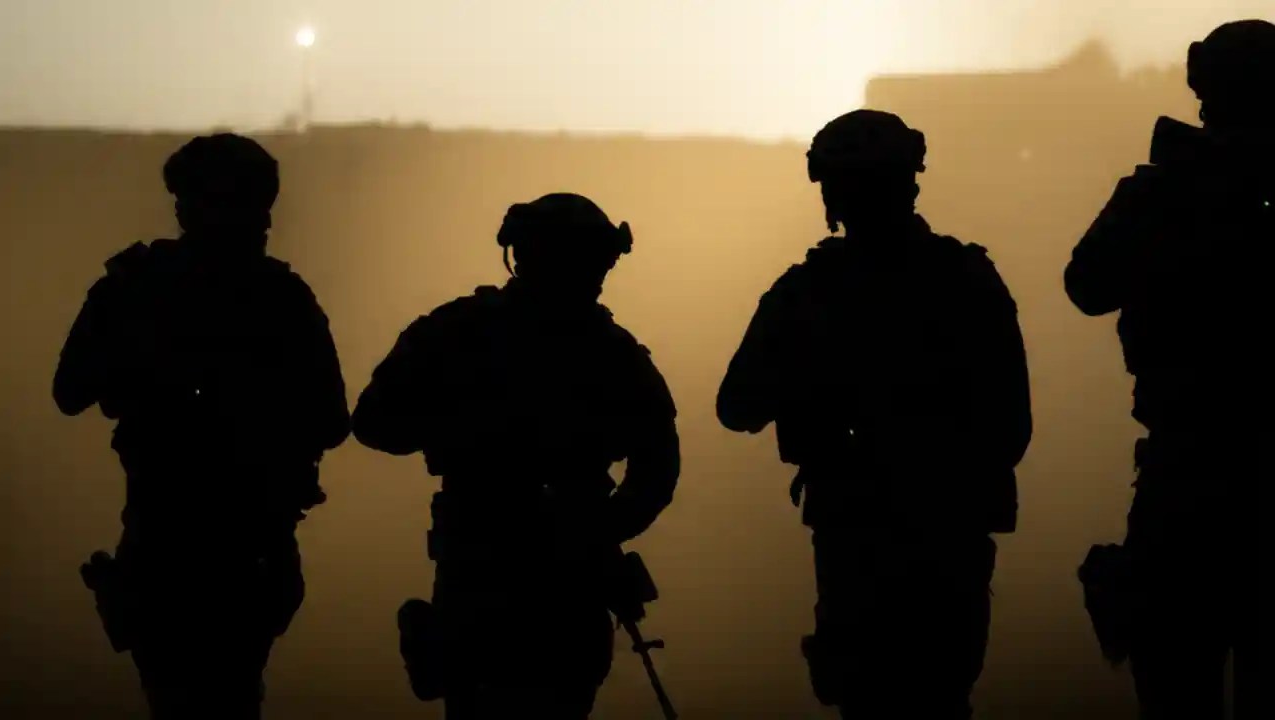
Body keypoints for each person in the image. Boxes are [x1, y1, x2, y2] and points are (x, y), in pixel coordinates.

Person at [716, 110, 1032, 719]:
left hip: (868, 534)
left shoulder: (810, 290)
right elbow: (1010, 427)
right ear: (910, 181)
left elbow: (739, 406)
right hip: (935, 535)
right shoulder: (964, 278)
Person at [54, 133, 351, 719]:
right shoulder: (282, 297)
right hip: (232, 544)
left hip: (185, 541)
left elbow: (71, 392)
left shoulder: (137, 286)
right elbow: (332, 421)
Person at [353, 193, 681, 719]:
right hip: (498, 569)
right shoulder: (603, 349)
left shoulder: (460, 332)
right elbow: (375, 424)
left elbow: (657, 466)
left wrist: (593, 531)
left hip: (530, 575)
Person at [1066, 19, 1274, 719]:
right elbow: (1087, 285)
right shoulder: (1169, 194)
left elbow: (1087, 284)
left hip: (1186, 485)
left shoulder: (1162, 196)